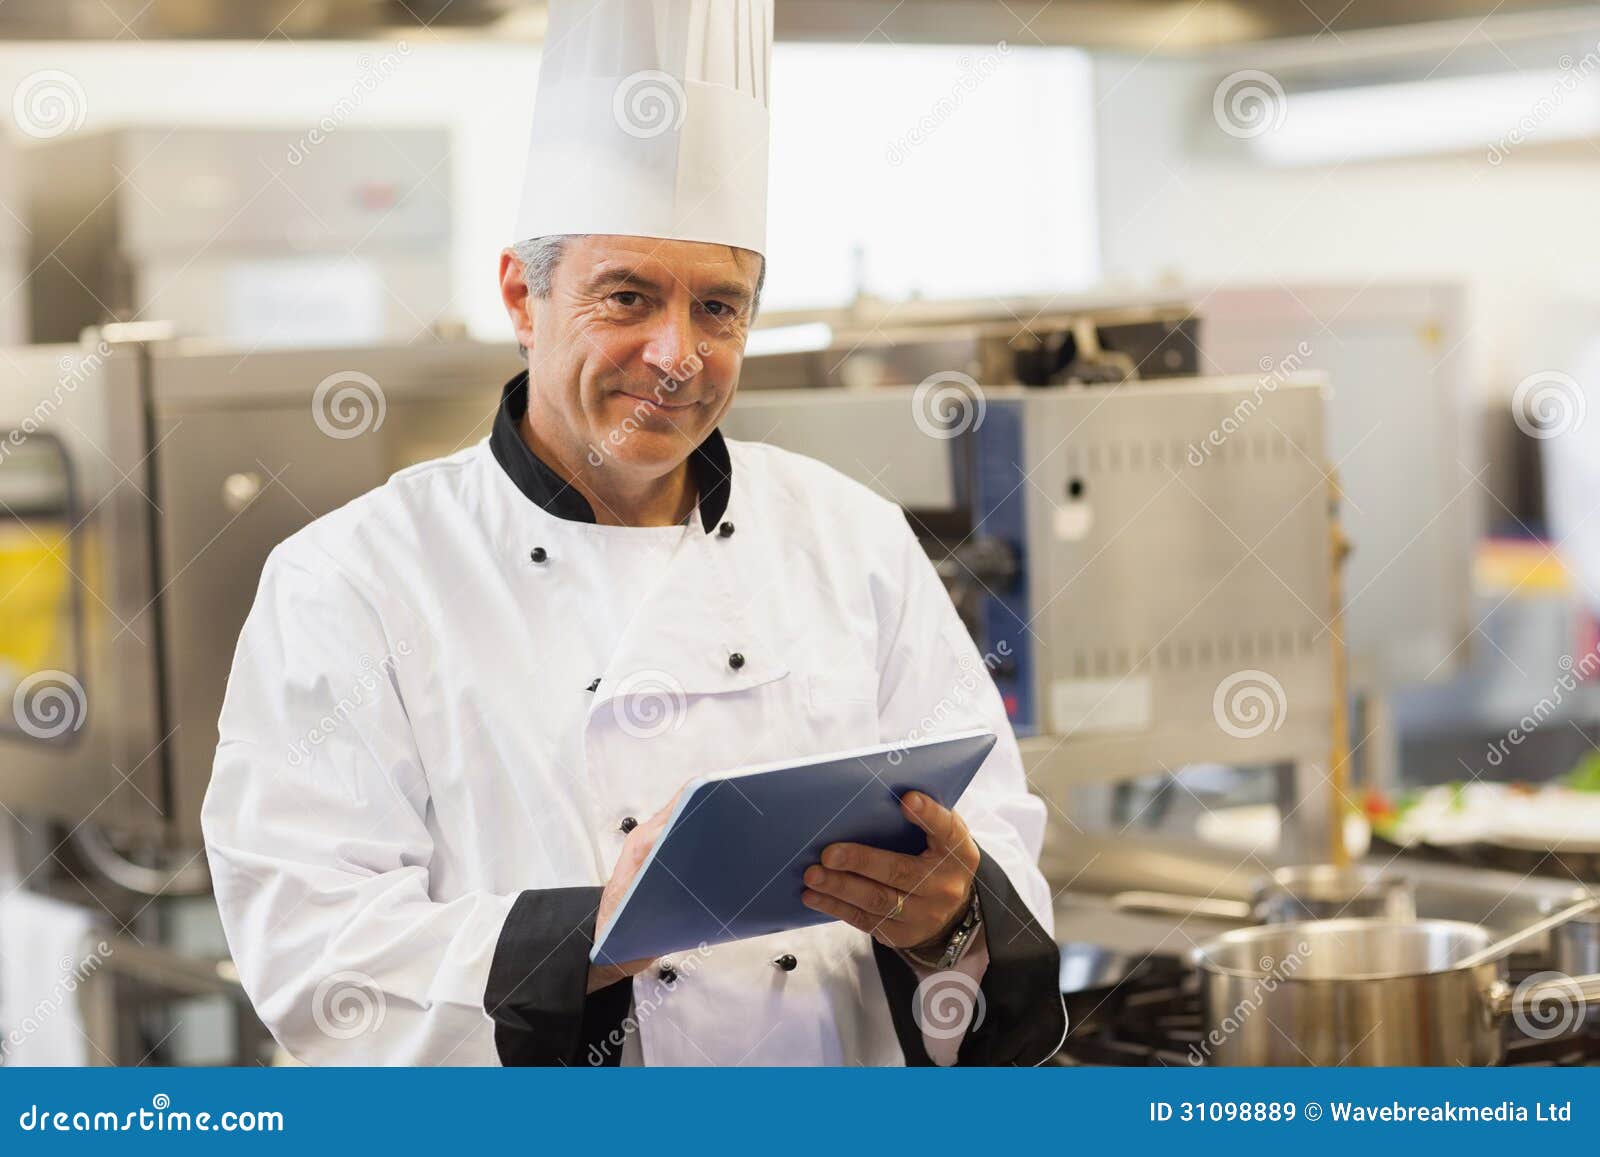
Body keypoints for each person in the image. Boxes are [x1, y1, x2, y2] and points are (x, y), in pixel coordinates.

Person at [202, 0, 1064, 1066]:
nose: (677, 353)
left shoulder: (854, 540)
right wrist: (594, 937)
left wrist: (949, 911)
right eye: (627, 295)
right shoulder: (353, 580)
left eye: (719, 307)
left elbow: (1002, 848)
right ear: (524, 293)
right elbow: (310, 943)